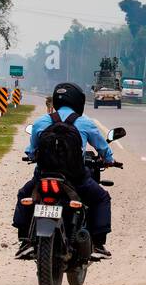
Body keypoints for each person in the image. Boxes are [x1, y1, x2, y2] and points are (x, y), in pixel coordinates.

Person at [13, 82, 114, 257]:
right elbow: (103, 149)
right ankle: (97, 244)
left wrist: (33, 156)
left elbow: (31, 151)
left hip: (43, 176)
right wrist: (109, 160)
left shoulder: (41, 122)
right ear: (78, 102)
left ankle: (24, 241)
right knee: (101, 198)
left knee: (24, 195)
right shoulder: (85, 123)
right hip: (75, 178)